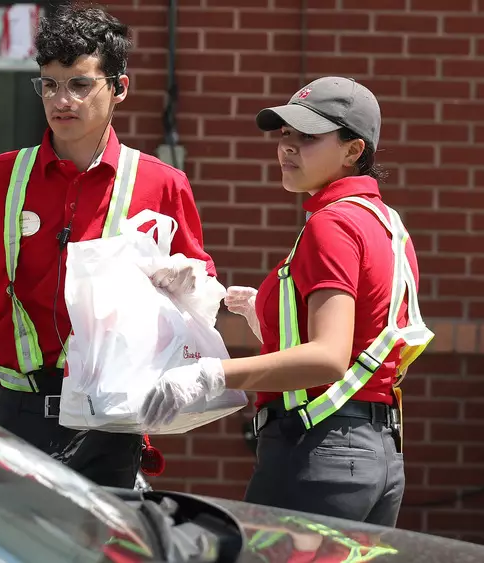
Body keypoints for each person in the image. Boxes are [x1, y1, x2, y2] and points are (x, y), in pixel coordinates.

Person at [0, 3, 215, 488]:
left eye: (80, 84)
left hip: (111, 416)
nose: (62, 100)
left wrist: (190, 284)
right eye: (49, 84)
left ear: (120, 89)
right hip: (17, 407)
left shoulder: (160, 183)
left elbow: (201, 303)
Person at [137, 77, 433, 525]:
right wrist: (267, 315)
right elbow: (357, 341)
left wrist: (210, 374)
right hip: (376, 454)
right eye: (285, 135)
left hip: (318, 450)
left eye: (309, 137)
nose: (288, 148)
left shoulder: (331, 225)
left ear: (354, 151)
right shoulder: (385, 222)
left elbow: (328, 356)